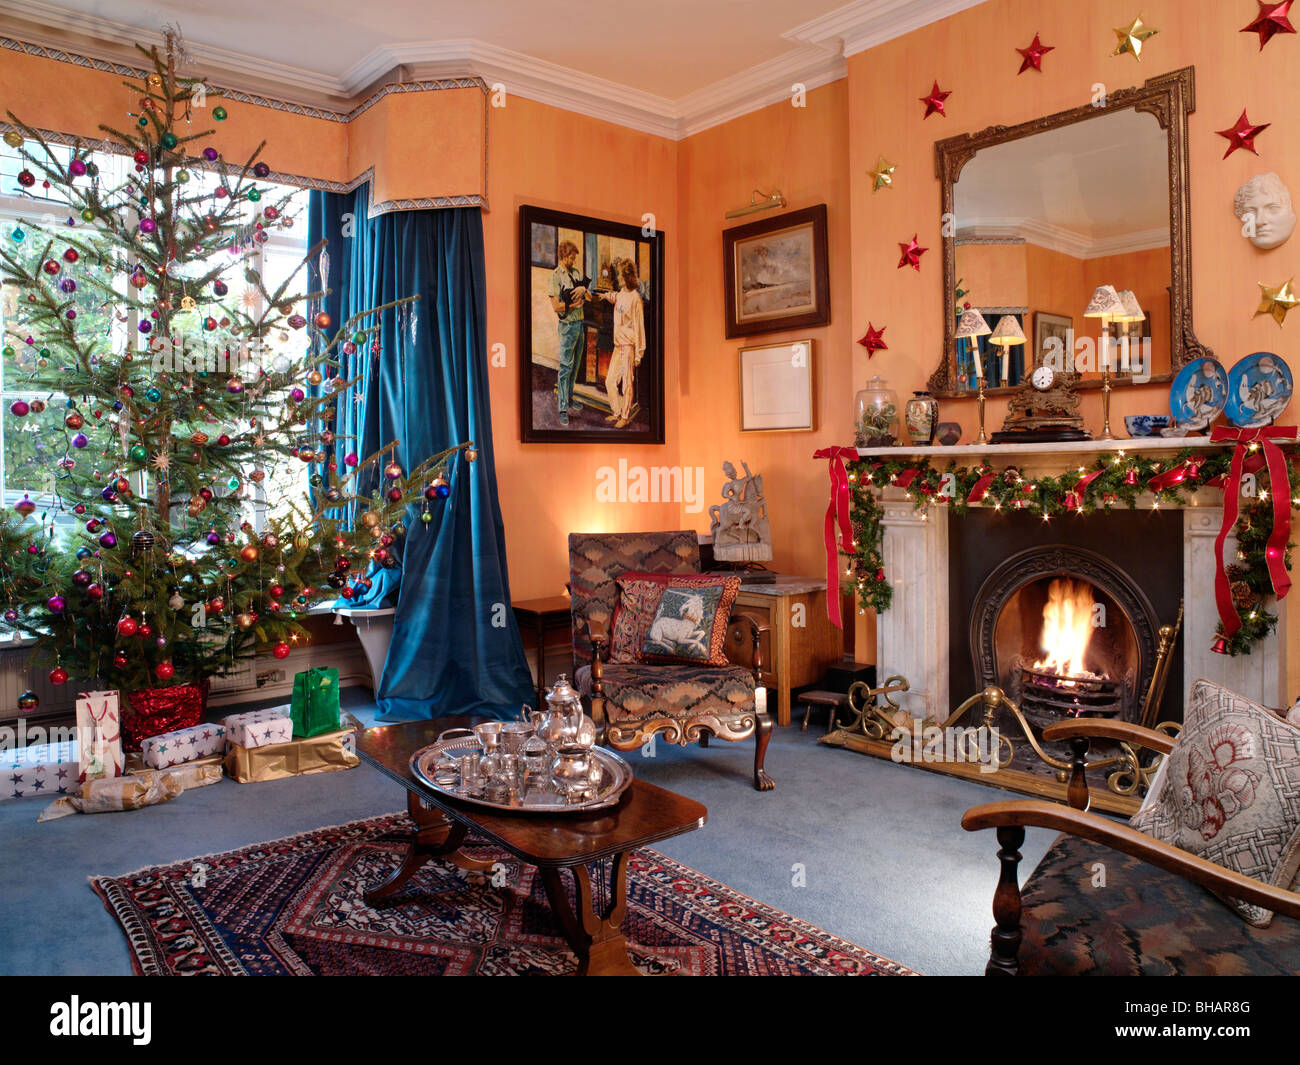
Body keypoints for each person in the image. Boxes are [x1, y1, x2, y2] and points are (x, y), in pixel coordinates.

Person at [595, 258, 645, 428]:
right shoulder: (622, 293)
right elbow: (615, 297)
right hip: (618, 346)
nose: (618, 278)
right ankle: (616, 412)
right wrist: (604, 295)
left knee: (627, 383)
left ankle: (625, 415)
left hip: (629, 348)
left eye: (621, 275)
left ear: (628, 276)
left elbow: (639, 328)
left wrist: (639, 353)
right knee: (610, 381)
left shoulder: (635, 298)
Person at [547, 241, 589, 425]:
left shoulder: (577, 273)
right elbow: (556, 306)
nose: (573, 260)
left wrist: (584, 290)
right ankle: (562, 407)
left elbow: (588, 296)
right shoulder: (555, 276)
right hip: (567, 326)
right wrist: (573, 305)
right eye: (571, 257)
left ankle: (570, 398)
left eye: (574, 257)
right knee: (565, 368)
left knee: (576, 365)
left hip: (579, 325)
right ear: (563, 255)